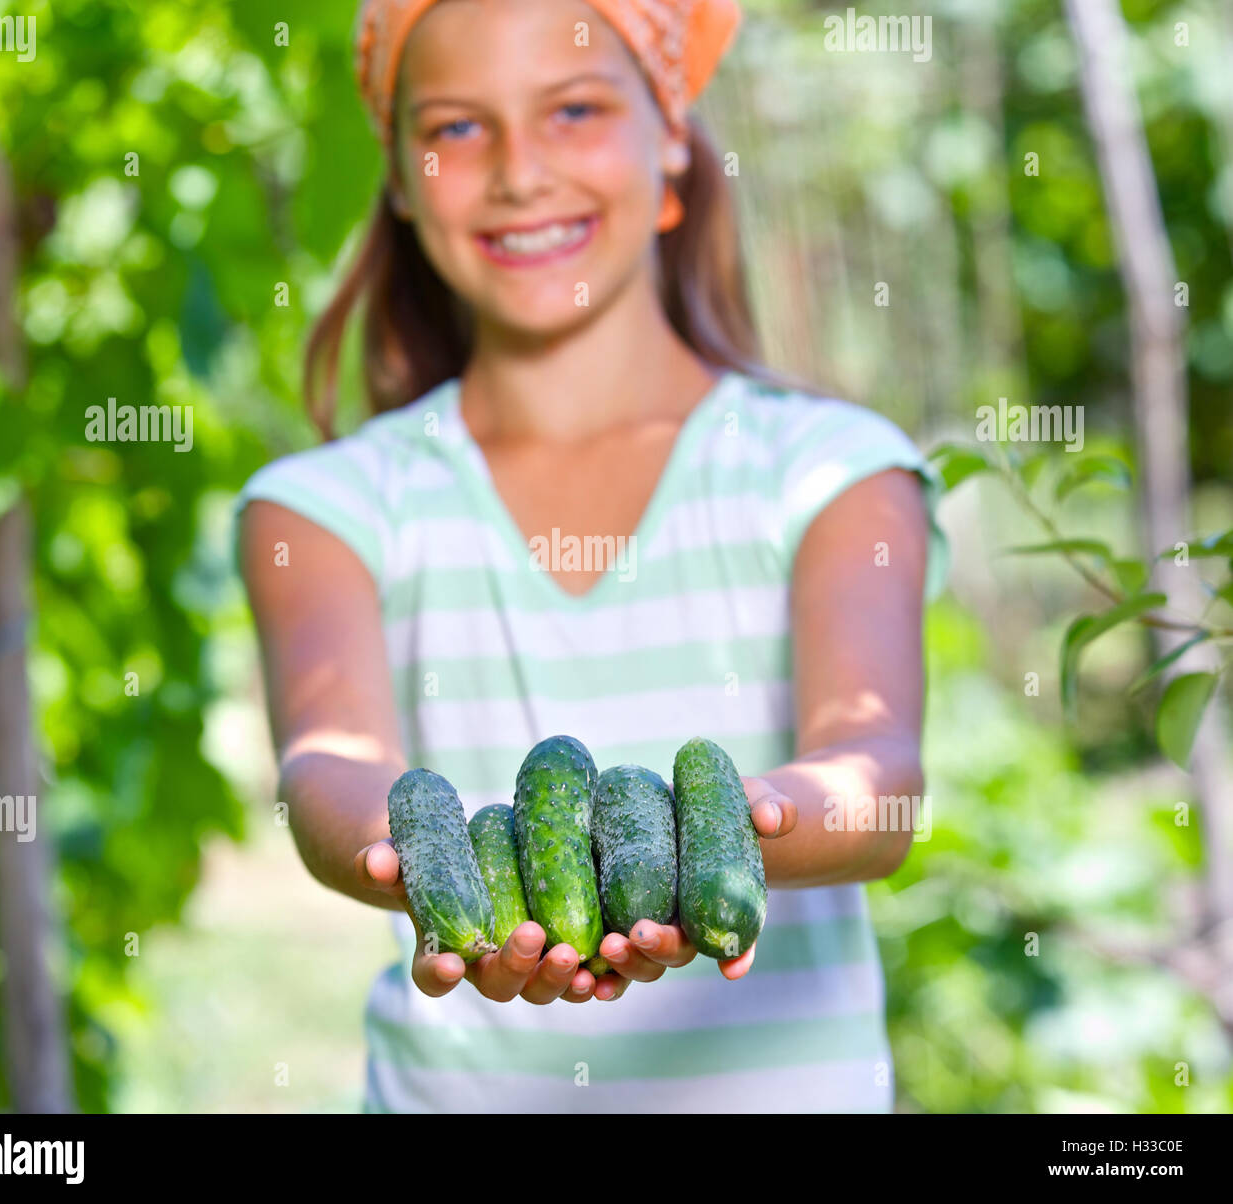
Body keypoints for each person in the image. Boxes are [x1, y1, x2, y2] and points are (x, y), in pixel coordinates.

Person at [236, 0, 949, 1112]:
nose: (520, 171)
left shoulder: (832, 468)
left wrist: (710, 844)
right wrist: (426, 865)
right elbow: (327, 765)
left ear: (671, 133)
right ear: (400, 178)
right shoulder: (320, 505)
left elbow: (880, 781)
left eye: (572, 107)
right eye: (458, 128)